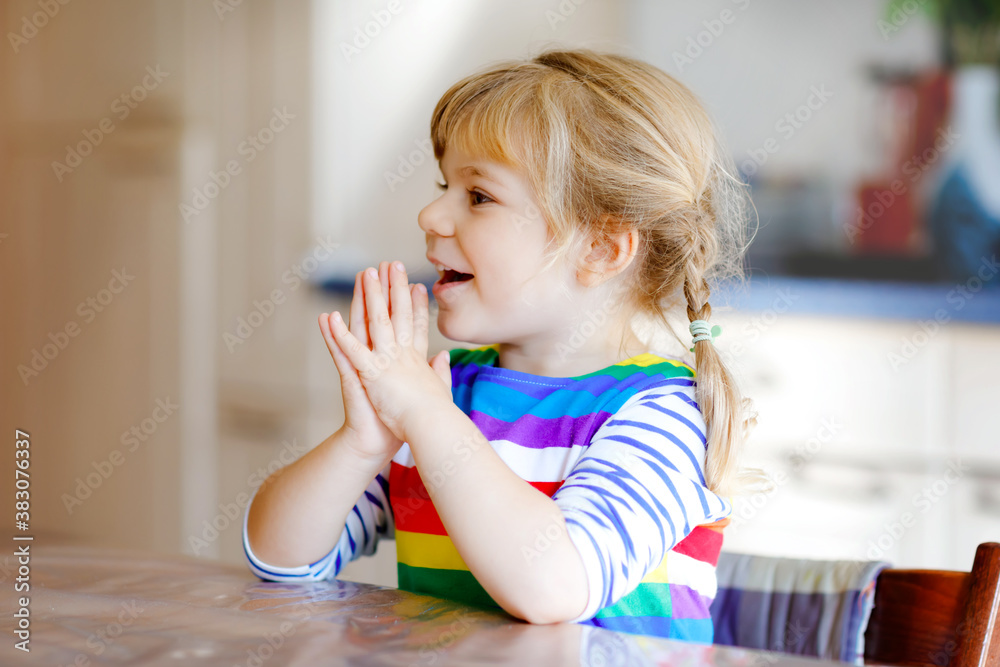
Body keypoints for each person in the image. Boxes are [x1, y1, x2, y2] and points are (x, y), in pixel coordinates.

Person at [243, 48, 759, 643]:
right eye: (444, 186)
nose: (431, 213)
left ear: (600, 249)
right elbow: (280, 561)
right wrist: (361, 443)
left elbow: (554, 587)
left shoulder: (664, 415)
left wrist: (428, 418)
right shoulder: (445, 395)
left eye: (479, 196)